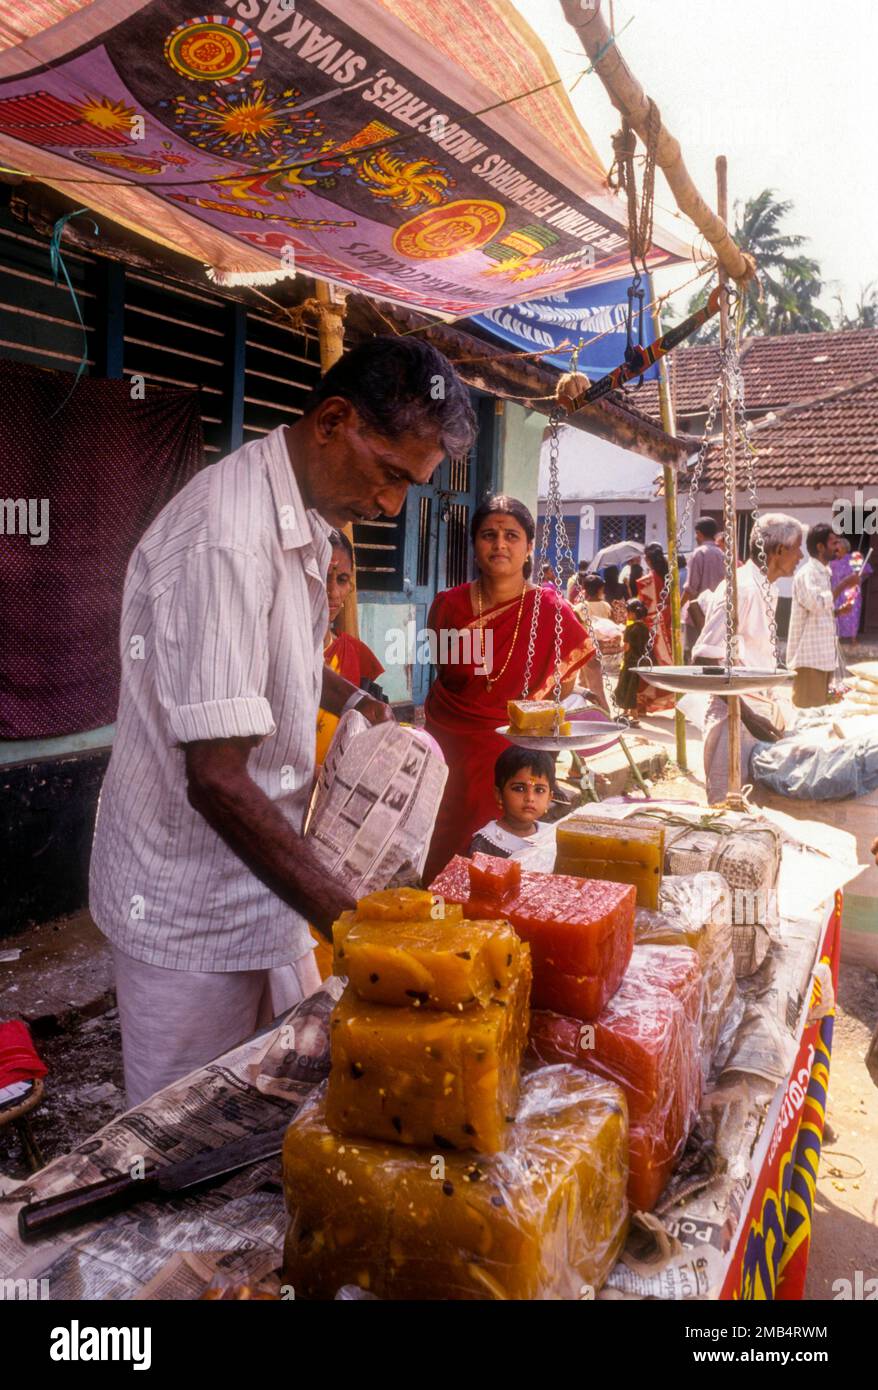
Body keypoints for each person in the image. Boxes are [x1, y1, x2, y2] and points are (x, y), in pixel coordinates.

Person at [89, 335, 476, 1106]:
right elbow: (216, 778)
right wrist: (356, 925)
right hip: (188, 912)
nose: (393, 505)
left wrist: (355, 701)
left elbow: (285, 661)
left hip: (265, 893)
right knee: (181, 1151)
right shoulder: (227, 538)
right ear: (332, 420)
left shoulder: (302, 519)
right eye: (392, 475)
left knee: (273, 1124)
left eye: (414, 486)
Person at [423, 495, 595, 881]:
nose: (499, 544)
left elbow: (564, 682)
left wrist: (524, 711)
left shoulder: (550, 609)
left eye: (511, 536)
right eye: (489, 535)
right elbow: (447, 671)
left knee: (498, 858)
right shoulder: (448, 606)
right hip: (448, 741)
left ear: (529, 546)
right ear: (474, 544)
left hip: (509, 748)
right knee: (438, 843)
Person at [693, 513, 803, 803]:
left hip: (754, 710)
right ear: (779, 551)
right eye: (797, 548)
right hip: (732, 714)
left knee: (752, 805)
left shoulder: (769, 588)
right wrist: (748, 715)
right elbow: (705, 659)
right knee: (725, 807)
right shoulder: (742, 588)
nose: (800, 555)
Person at [316, 530, 385, 765]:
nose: (332, 592)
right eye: (322, 577)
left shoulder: (357, 654)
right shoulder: (273, 653)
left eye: (342, 580)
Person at [787, 522, 856, 708]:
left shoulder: (823, 572)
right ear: (820, 547)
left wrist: (838, 611)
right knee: (806, 712)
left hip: (822, 658)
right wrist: (843, 585)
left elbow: (818, 613)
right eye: (833, 543)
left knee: (818, 712)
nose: (837, 547)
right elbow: (816, 603)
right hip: (809, 659)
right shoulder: (807, 574)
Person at [468, 747, 557, 860]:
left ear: (549, 798)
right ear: (499, 795)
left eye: (539, 790)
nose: (530, 798)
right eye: (519, 789)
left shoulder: (549, 836)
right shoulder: (485, 844)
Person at [635, 543, 675, 714]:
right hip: (667, 626)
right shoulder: (670, 578)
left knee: (644, 664)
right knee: (662, 664)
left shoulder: (645, 582)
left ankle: (641, 704)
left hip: (648, 626)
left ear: (647, 559)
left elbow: (641, 606)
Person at [681, 517, 725, 659]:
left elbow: (691, 588)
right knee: (712, 656)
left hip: (697, 614)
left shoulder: (699, 553)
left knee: (693, 653)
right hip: (716, 614)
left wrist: (676, 608)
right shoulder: (723, 554)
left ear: (699, 533)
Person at [831, 537, 873, 648]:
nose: (836, 547)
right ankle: (837, 637)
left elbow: (867, 570)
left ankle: (853, 638)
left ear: (844, 547)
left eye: (838, 544)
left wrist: (859, 573)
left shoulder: (853, 559)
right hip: (836, 593)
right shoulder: (832, 563)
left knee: (852, 615)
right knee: (837, 615)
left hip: (851, 592)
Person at [614, 598, 650, 723]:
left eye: (628, 612)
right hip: (641, 662)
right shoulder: (645, 628)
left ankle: (633, 715)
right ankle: (627, 713)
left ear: (633, 614)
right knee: (632, 688)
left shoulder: (630, 629)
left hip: (629, 662)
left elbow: (626, 647)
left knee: (624, 686)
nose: (627, 615)